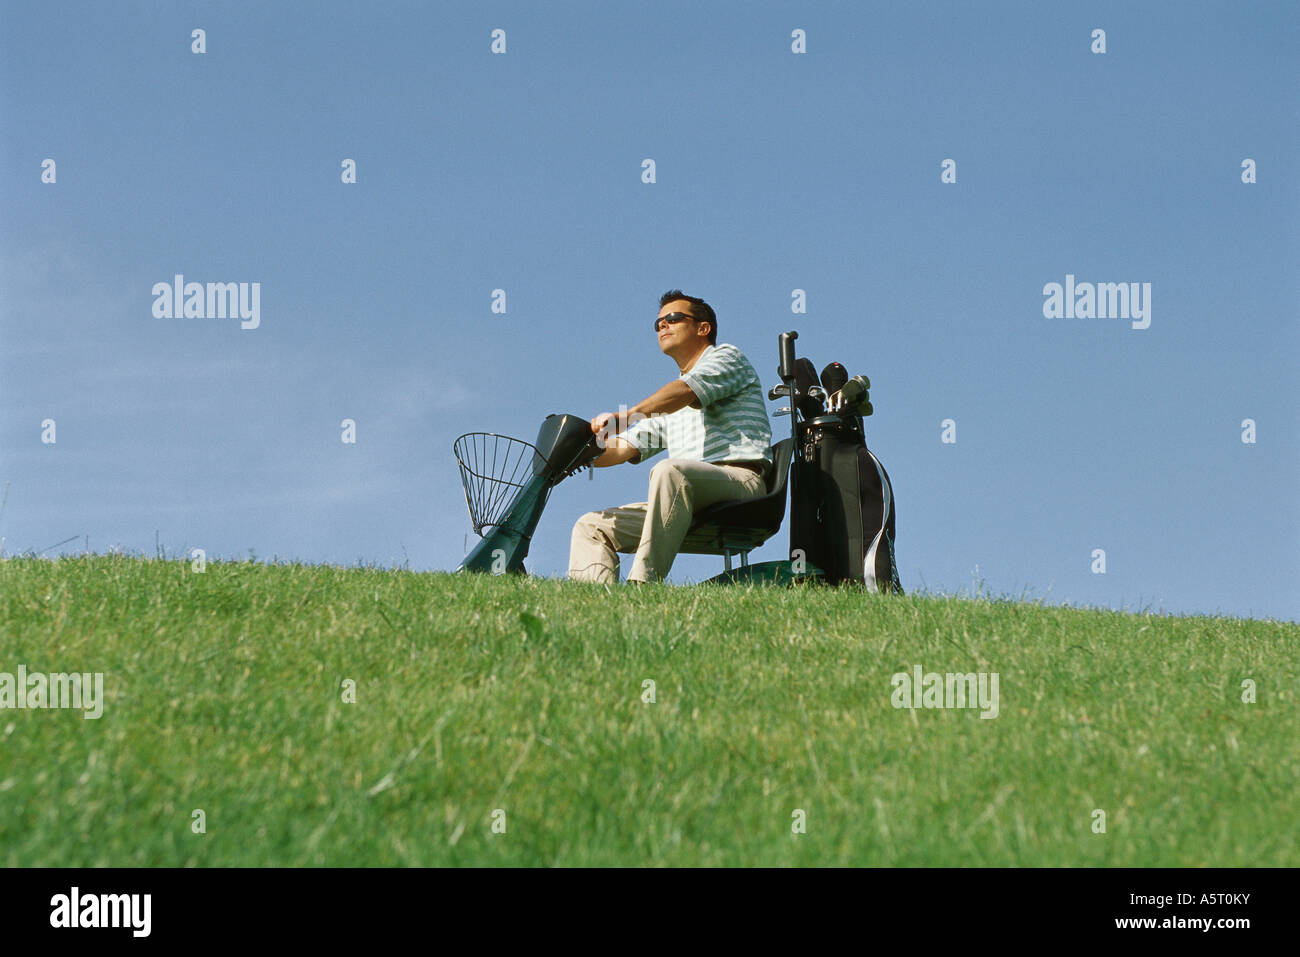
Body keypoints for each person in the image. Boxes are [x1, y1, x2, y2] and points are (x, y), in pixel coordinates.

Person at [568, 290, 773, 584]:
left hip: (741, 482)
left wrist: (625, 416)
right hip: (683, 497)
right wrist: (573, 453)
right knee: (590, 526)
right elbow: (621, 448)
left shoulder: (727, 357)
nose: (663, 326)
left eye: (673, 318)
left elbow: (686, 391)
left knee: (669, 470)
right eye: (658, 323)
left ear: (703, 328)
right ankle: (597, 608)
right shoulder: (669, 406)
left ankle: (643, 586)